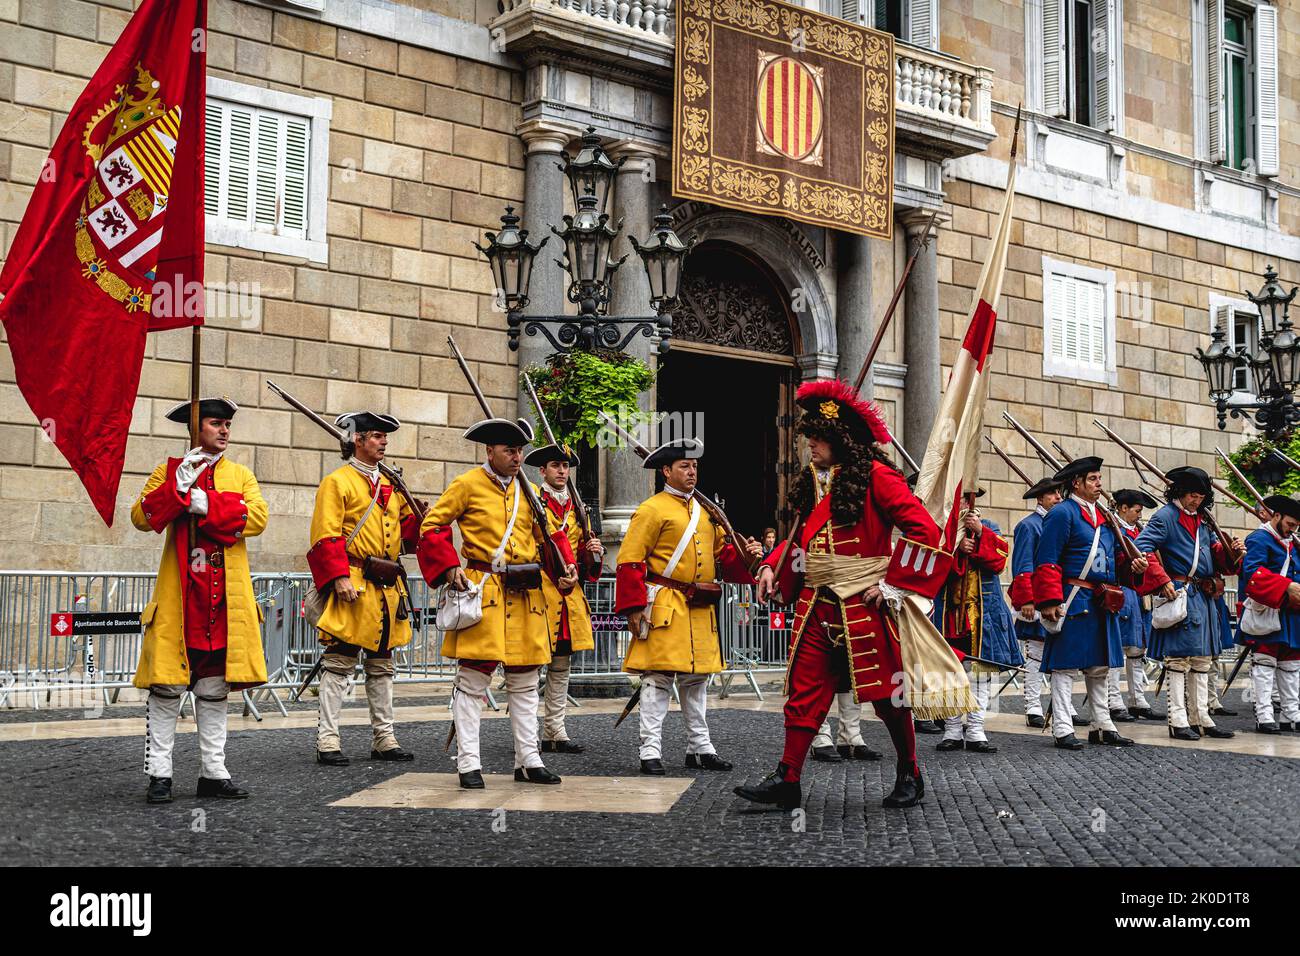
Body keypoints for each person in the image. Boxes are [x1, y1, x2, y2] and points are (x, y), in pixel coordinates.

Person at [734, 379, 952, 811]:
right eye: (810, 436)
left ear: (843, 440)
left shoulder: (880, 478)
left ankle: (910, 771)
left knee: (889, 697)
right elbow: (801, 542)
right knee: (803, 693)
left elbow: (927, 533)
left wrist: (892, 583)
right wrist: (768, 564)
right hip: (817, 604)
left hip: (864, 603)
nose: (811, 443)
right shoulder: (814, 483)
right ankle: (788, 778)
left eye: (820, 437)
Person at [418, 416, 578, 789]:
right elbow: (433, 527)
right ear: (490, 451)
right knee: (473, 680)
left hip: (526, 594)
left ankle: (528, 760)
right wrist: (448, 568)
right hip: (484, 591)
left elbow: (550, 535)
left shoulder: (529, 490)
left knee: (525, 681)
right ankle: (469, 763)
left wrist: (566, 570)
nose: (517, 456)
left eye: (520, 450)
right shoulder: (467, 484)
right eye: (509, 449)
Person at [132, 397, 268, 803]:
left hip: (223, 601)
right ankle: (160, 773)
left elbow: (256, 517)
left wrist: (205, 503)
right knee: (168, 690)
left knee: (213, 689)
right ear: (196, 429)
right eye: (215, 423)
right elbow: (141, 517)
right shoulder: (168, 471)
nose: (224, 430)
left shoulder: (241, 474)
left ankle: (213, 772)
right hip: (182, 599)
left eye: (227, 424)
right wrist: (177, 489)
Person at [615, 437, 761, 774]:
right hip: (666, 604)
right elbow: (630, 561)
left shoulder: (707, 512)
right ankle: (650, 751)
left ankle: (700, 747)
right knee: (658, 680)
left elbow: (723, 557)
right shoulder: (651, 509)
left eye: (694, 466)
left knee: (697, 681)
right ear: (666, 470)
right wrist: (635, 610)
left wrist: (748, 559)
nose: (692, 471)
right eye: (684, 466)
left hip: (699, 607)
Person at [307, 412, 422, 766]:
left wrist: (419, 516)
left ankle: (384, 738)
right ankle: (328, 739)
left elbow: (408, 537)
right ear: (357, 440)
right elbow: (325, 534)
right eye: (375, 436)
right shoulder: (337, 482)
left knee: (382, 663)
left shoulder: (390, 484)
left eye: (385, 437)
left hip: (387, 589)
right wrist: (339, 576)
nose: (383, 442)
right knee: (339, 661)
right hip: (353, 580)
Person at [1033, 457, 1147, 750]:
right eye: (1093, 479)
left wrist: (1130, 568)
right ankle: (1062, 727)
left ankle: (1102, 724)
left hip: (1101, 599)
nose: (1099, 484)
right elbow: (1047, 558)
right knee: (1065, 667)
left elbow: (1110, 561)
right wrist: (1049, 600)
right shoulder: (1062, 514)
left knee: (1099, 666)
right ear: (1077, 483)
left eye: (1099, 478)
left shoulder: (1104, 518)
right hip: (1073, 598)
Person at [1133, 466, 1243, 742]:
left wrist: (1232, 550)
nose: (1196, 500)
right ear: (1181, 492)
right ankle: (1178, 719)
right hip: (1180, 592)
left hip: (1203, 596)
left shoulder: (1203, 520)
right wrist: (1161, 580)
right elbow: (1141, 547)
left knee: (1203, 659)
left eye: (1201, 495)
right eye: (1192, 494)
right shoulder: (1165, 517)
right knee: (1178, 660)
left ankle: (1201, 716)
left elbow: (1215, 554)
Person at [528, 442, 604, 753]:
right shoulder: (533, 500)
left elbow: (583, 557)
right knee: (531, 668)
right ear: (542, 471)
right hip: (540, 590)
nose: (562, 470)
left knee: (561, 665)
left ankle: (554, 731)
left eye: (565, 466)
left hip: (568, 594)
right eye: (555, 466)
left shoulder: (578, 507)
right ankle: (527, 732)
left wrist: (591, 553)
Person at [933, 492, 1021, 754]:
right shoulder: (941, 529)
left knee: (981, 674)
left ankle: (976, 728)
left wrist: (980, 533)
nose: (962, 505)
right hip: (949, 611)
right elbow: (933, 564)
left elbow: (999, 562)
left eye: (965, 500)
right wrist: (956, 547)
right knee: (951, 671)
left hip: (982, 614)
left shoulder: (990, 527)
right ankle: (951, 729)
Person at [1010, 477, 1084, 729]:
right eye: (1052, 494)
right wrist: (1027, 599)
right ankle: (1032, 706)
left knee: (1062, 655)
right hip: (1037, 598)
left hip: (1057, 597)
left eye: (1058, 494)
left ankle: (1064, 706)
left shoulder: (1062, 523)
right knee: (1035, 655)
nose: (1058, 498)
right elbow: (1023, 565)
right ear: (1040, 498)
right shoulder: (1029, 526)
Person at [1235, 494, 1300, 734]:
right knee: (1264, 663)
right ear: (1277, 516)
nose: (1292, 529)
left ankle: (1291, 713)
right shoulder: (1259, 539)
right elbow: (1252, 574)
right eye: (1290, 524)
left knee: (1292, 664)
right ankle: (1264, 715)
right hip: (1268, 609)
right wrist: (1286, 587)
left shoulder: (1291, 542)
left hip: (1291, 613)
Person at [1110, 489, 1159, 719]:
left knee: (1137, 650)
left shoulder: (1138, 531)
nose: (1140, 515)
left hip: (1139, 595)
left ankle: (1137, 699)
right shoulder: (1113, 531)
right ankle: (1113, 700)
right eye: (1137, 510)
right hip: (1121, 592)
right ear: (1123, 508)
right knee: (1117, 651)